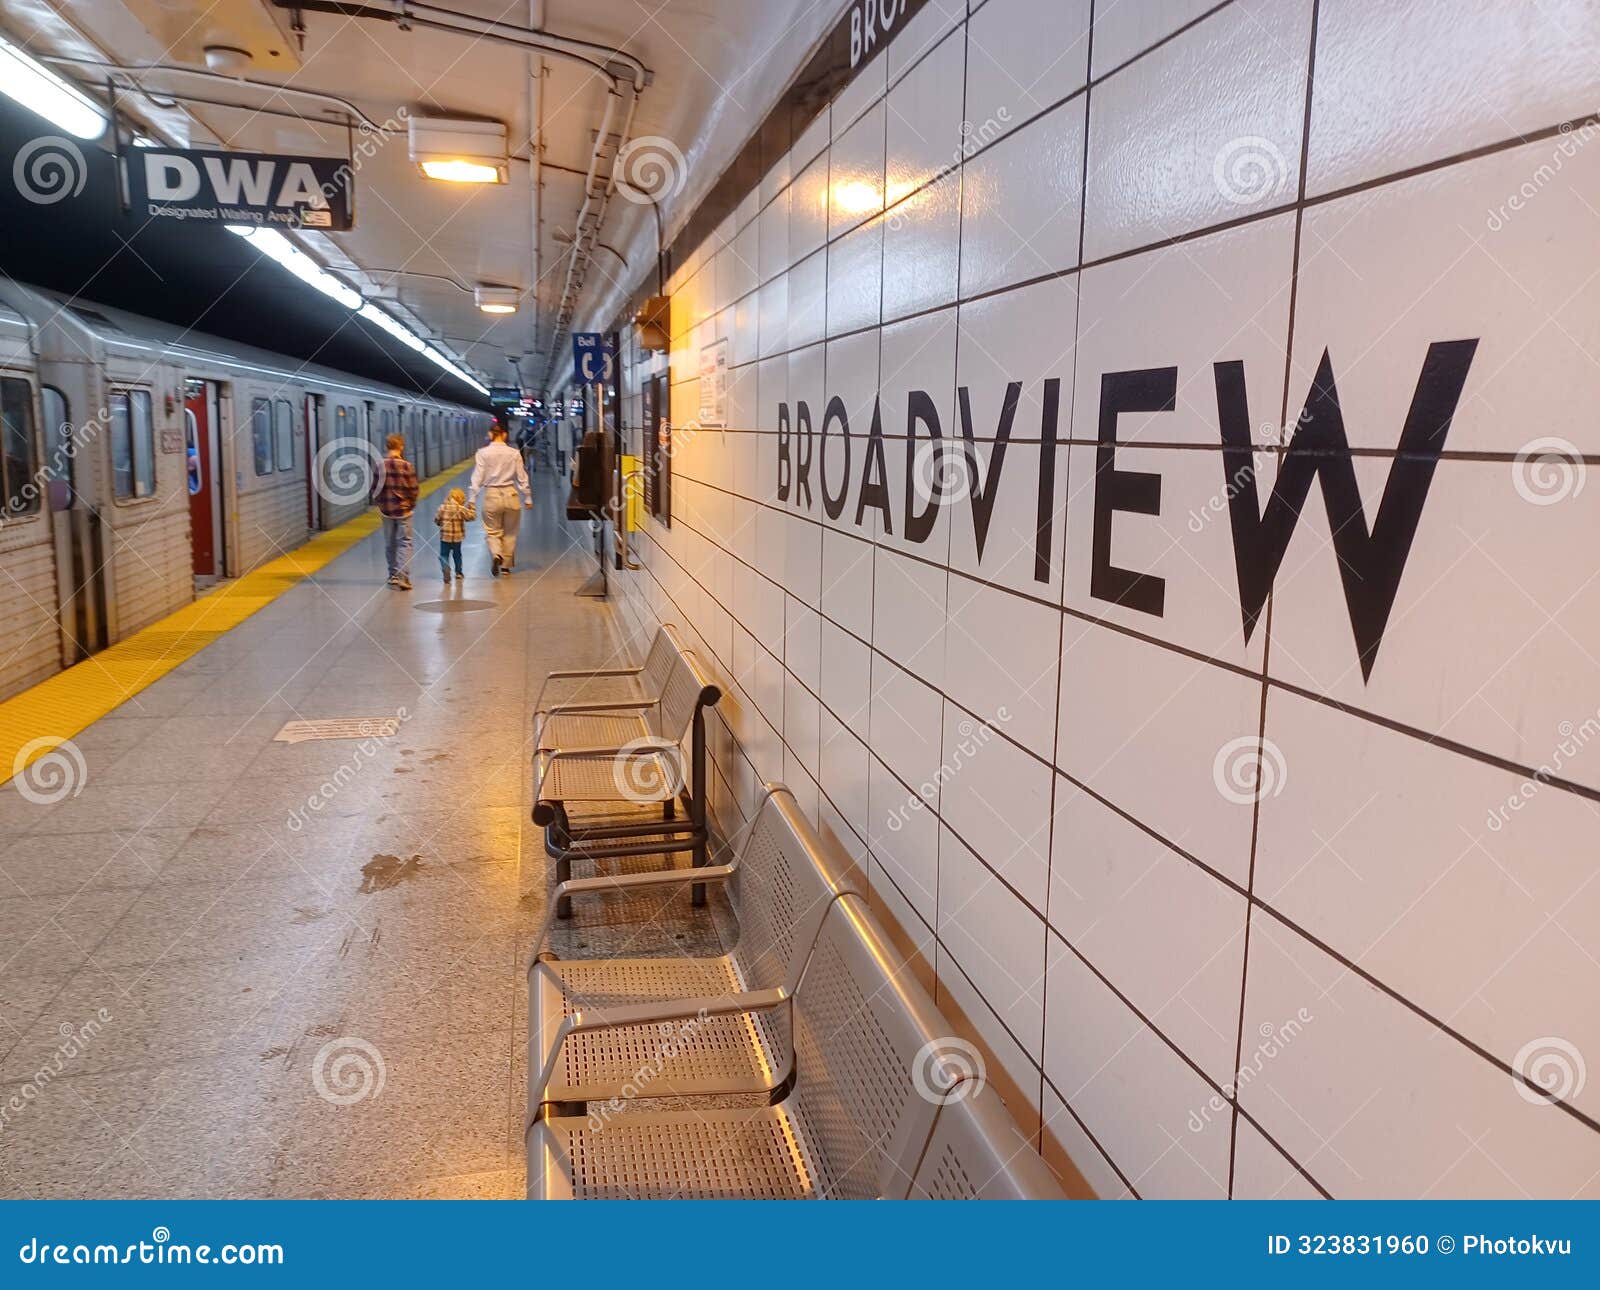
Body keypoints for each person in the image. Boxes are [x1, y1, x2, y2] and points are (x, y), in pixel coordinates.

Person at [468, 419, 531, 576]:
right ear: (504, 435)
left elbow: (477, 477)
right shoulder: (514, 453)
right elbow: (522, 477)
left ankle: (496, 554)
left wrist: (472, 499)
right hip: (511, 494)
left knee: (493, 531)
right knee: (510, 533)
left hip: (492, 495)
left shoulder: (482, 453)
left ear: (490, 434)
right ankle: (505, 567)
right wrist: (528, 497)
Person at [370, 433, 419, 590]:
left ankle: (392, 576)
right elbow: (413, 489)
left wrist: (381, 505)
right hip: (404, 511)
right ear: (401, 447)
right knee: (405, 542)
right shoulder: (407, 466)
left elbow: (375, 490)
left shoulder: (379, 465)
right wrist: (410, 505)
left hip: (386, 512)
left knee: (390, 544)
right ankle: (403, 575)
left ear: (387, 447)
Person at [433, 487, 475, 583]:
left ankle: (446, 568)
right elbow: (471, 517)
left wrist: (441, 523)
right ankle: (459, 573)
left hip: (445, 537)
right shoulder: (460, 509)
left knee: (444, 555)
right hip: (457, 538)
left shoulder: (442, 507)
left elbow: (436, 519)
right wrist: (472, 507)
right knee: (457, 555)